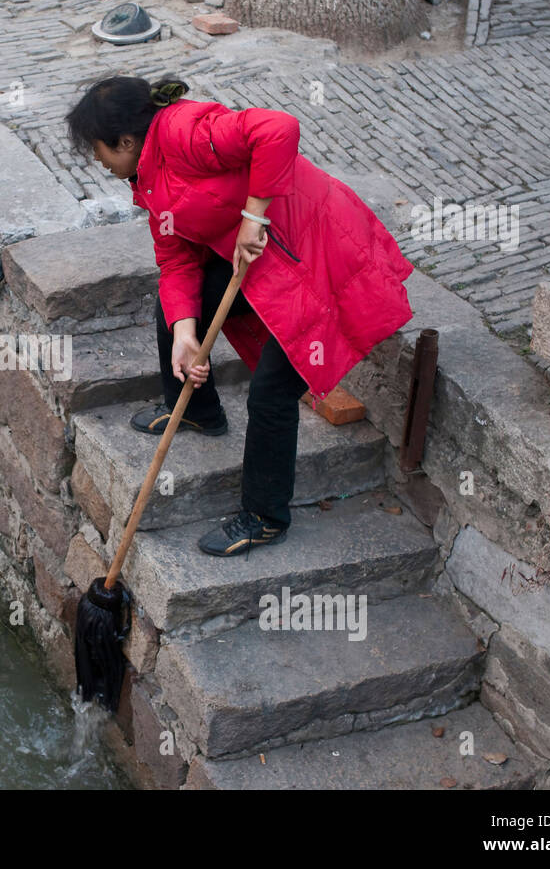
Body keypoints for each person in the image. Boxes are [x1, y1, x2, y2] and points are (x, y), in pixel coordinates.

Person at [64, 76, 414, 557]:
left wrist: (255, 214)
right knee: (174, 306)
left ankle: (265, 516)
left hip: (318, 254)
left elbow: (278, 128)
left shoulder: (184, 130)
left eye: (99, 151)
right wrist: (186, 334)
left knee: (272, 389)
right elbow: (176, 262)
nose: (99, 162)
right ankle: (197, 410)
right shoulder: (146, 179)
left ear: (125, 141)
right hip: (262, 261)